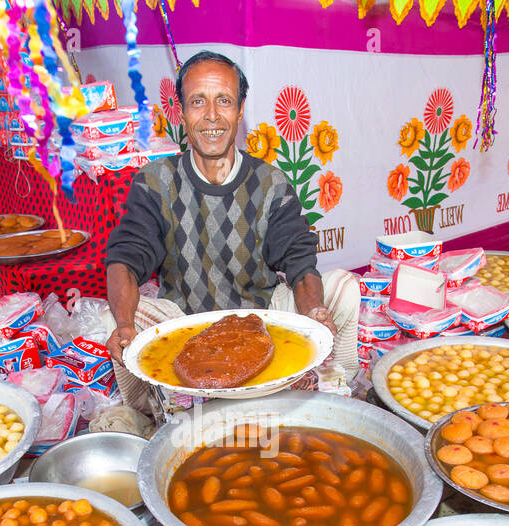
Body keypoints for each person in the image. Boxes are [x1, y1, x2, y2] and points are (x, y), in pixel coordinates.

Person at [104, 51, 358, 408]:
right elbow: (126, 259)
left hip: (263, 313)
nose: (211, 116)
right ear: (180, 113)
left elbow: (300, 264)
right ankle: (152, 414)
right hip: (185, 321)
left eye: (224, 101)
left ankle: (335, 391)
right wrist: (126, 323)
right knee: (114, 316)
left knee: (344, 287)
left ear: (240, 112)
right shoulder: (155, 181)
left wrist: (315, 310)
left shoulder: (271, 182)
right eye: (197, 102)